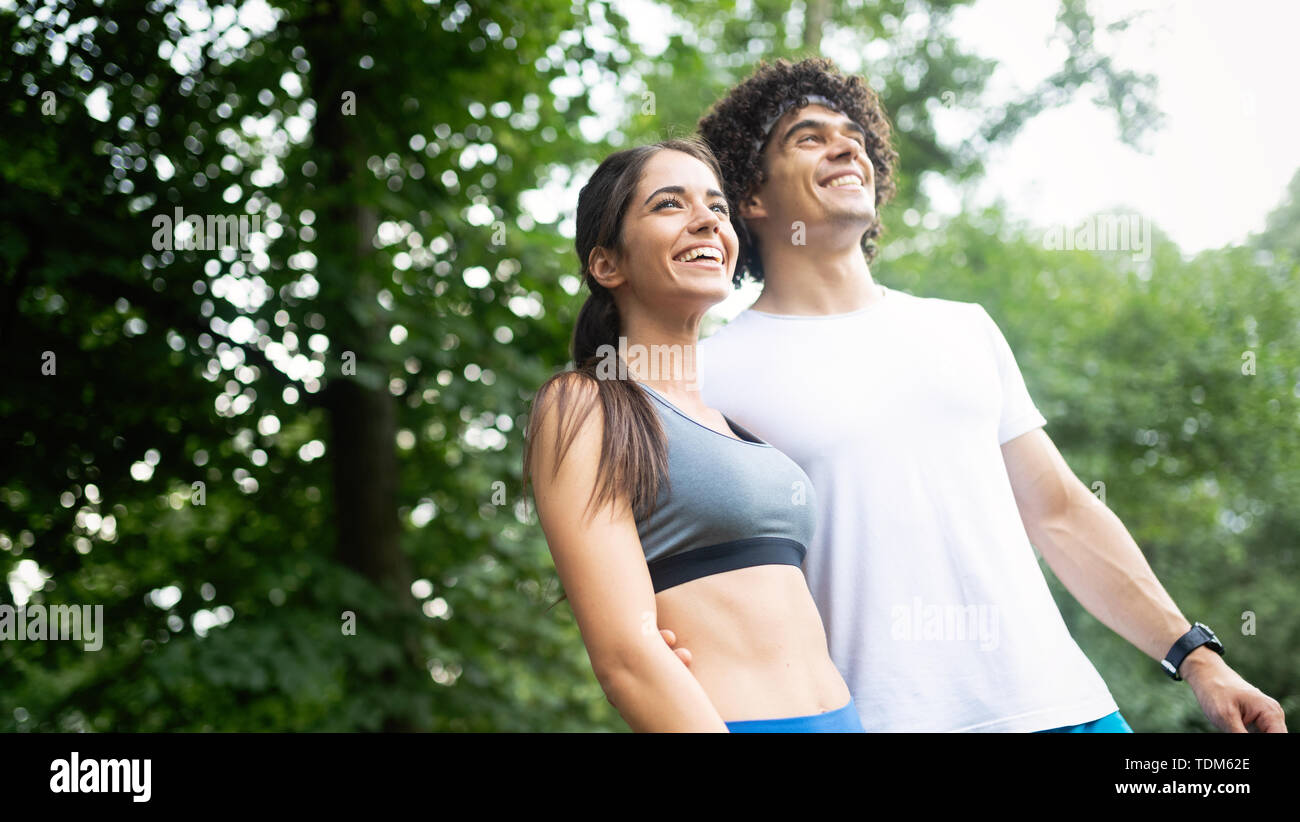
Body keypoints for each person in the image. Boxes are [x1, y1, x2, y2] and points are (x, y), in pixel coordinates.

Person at [676, 57, 1288, 733]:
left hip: (1070, 710)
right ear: (752, 198)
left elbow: (1059, 512)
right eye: (808, 137)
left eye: (852, 134)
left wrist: (1199, 658)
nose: (844, 145)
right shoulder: (707, 375)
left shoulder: (962, 327)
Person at [522, 137, 865, 732]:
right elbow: (627, 658)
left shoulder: (734, 421)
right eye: (669, 205)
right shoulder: (584, 405)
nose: (707, 219)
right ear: (608, 264)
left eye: (717, 208)